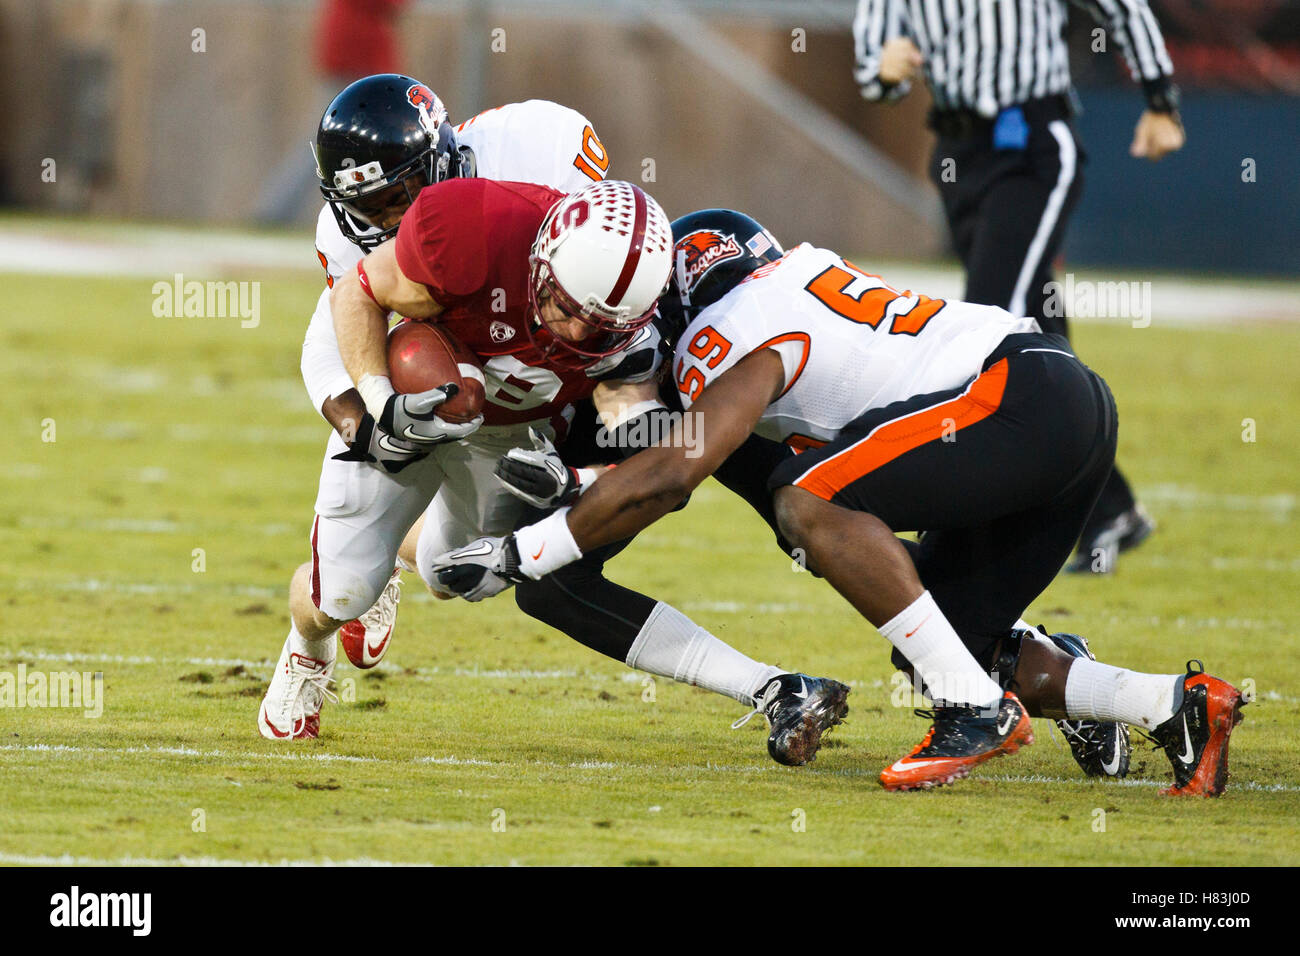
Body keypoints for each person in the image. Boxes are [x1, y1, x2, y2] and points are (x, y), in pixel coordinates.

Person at [432, 209, 1246, 795]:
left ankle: (975, 713)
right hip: (1059, 403)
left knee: (806, 498)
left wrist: (520, 552)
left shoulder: (731, 326)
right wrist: (582, 482)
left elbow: (675, 474)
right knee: (938, 637)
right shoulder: (790, 280)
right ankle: (1169, 706)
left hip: (1012, 400)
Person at [259, 179, 851, 766]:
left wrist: (579, 477)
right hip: (409, 394)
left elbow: (648, 458)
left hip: (507, 434)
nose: (571, 332)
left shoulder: (635, 345)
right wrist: (374, 401)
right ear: (546, 258)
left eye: (596, 326)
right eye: (565, 308)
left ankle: (396, 556)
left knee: (448, 576)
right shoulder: (474, 228)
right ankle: (310, 646)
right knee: (339, 592)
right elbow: (352, 296)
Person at [852, 0, 1185, 574]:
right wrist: (884, 71)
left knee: (986, 325)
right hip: (958, 154)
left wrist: (1161, 102)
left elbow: (1124, 8)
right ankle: (1111, 507)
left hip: (1032, 143)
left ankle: (965, 522)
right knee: (1034, 326)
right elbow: (873, 69)